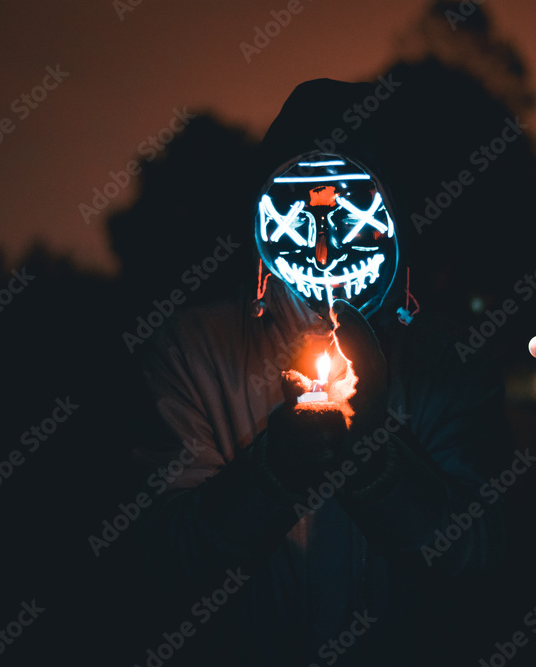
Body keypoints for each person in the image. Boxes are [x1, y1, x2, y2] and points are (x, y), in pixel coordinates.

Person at [134, 79, 509, 665]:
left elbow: (484, 555)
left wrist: (377, 458)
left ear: (399, 222)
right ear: (260, 220)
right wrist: (273, 473)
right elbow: (157, 562)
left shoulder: (446, 365)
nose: (326, 255)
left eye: (353, 216)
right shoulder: (191, 351)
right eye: (298, 216)